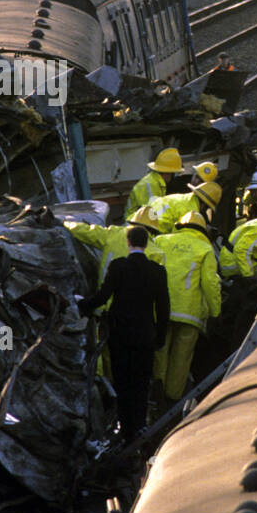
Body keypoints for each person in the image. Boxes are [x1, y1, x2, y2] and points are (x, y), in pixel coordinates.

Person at [77, 225, 170, 438]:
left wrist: (82, 305)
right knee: (141, 381)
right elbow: (164, 308)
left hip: (119, 334)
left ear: (128, 242)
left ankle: (124, 427)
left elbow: (102, 297)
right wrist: (160, 336)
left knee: (122, 380)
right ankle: (139, 426)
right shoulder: (158, 271)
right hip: (145, 335)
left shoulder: (118, 266)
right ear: (146, 244)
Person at [154, 211, 222, 402]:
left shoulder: (161, 241)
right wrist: (215, 312)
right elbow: (210, 284)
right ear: (202, 230)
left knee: (160, 352)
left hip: (162, 310)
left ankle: (156, 391)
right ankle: (171, 400)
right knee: (181, 359)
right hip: (190, 315)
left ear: (180, 226)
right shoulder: (205, 248)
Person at [124, 147, 182, 220]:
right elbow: (152, 214)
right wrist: (173, 206)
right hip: (134, 224)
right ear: (169, 172)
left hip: (140, 221)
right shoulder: (150, 185)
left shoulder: (155, 182)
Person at [147, 179, 222, 233]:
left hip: (143, 224)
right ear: (204, 205)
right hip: (155, 233)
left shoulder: (180, 198)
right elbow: (181, 236)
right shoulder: (191, 213)